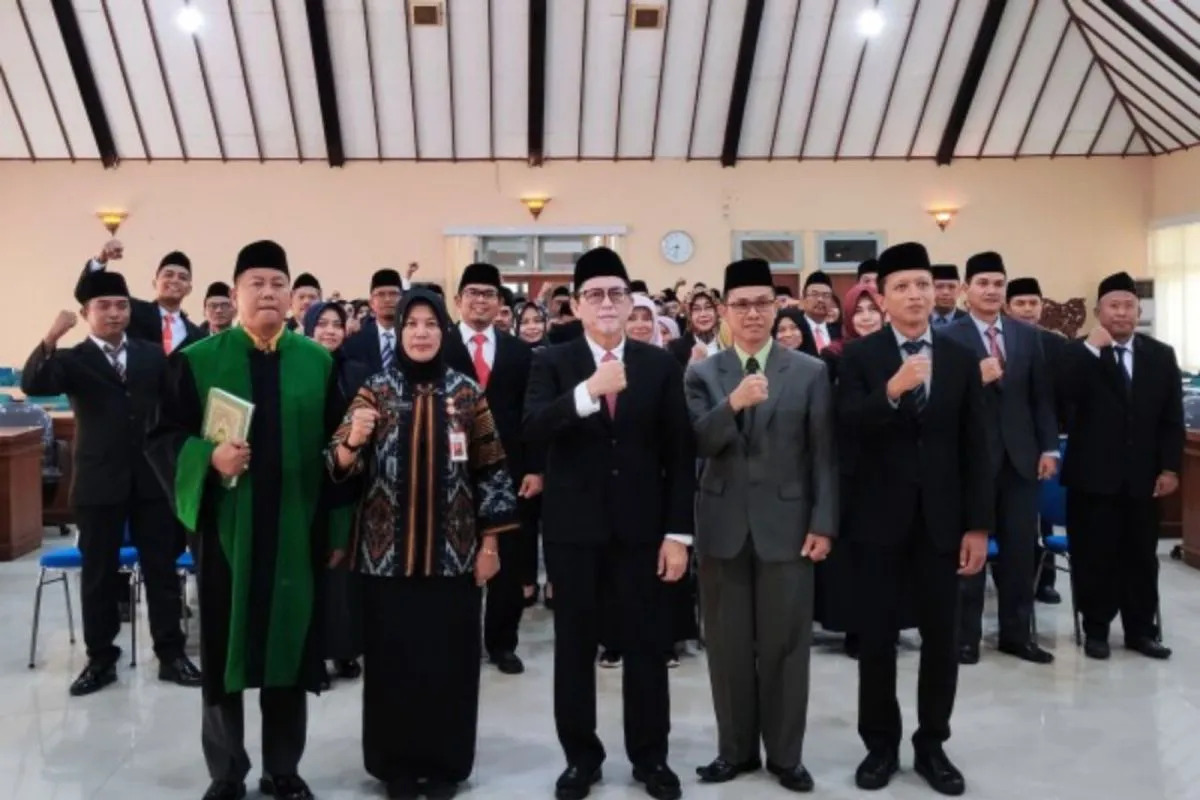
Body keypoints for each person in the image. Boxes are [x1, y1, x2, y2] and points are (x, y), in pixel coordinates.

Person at [147, 240, 333, 800]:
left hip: (297, 533)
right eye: (257, 283)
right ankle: (227, 772)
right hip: (227, 533)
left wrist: (339, 534)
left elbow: (339, 451)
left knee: (287, 647)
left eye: (279, 283)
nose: (269, 292)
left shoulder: (318, 362)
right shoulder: (199, 360)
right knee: (225, 652)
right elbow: (160, 438)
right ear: (234, 293)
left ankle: (283, 768)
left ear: (292, 295)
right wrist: (209, 459)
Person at [327, 288, 517, 800]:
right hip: (385, 559)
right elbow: (336, 467)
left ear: (443, 330)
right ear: (400, 332)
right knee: (393, 666)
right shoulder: (374, 390)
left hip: (452, 559)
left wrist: (491, 547)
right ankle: (395, 767)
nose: (421, 332)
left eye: (430, 323)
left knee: (449, 665)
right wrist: (351, 442)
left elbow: (492, 471)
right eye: (411, 323)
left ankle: (446, 764)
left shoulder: (466, 394)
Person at [524, 247, 695, 800]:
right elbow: (531, 430)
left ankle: (651, 757)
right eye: (593, 294)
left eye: (616, 293)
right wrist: (586, 394)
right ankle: (581, 757)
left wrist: (677, 534)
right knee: (574, 649)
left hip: (643, 534)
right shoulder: (553, 361)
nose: (605, 303)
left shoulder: (659, 365)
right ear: (575, 304)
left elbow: (679, 454)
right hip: (576, 534)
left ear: (630, 303)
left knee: (647, 647)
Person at [837, 241, 992, 796]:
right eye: (902, 286)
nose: (915, 295)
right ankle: (880, 747)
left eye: (923, 285)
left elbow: (978, 443)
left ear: (937, 292)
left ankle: (932, 745)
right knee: (877, 641)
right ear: (881, 296)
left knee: (941, 641)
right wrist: (891, 393)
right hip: (877, 524)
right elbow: (845, 430)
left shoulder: (957, 355)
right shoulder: (859, 357)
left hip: (942, 525)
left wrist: (978, 525)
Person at [685, 258, 836, 793]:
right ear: (724, 311)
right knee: (725, 647)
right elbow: (695, 443)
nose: (752, 314)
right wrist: (734, 403)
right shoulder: (703, 372)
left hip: (789, 526)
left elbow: (824, 456)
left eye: (762, 303)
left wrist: (824, 523)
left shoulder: (810, 371)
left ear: (777, 309)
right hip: (722, 527)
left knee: (787, 646)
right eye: (741, 304)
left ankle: (786, 757)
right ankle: (735, 751)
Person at [22, 271, 201, 697]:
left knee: (161, 571)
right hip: (99, 483)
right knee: (99, 576)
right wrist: (50, 338)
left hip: (153, 482)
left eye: (121, 305)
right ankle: (100, 659)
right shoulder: (71, 359)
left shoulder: (152, 355)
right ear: (85, 314)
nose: (115, 313)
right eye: (104, 306)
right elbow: (33, 384)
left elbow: (178, 404)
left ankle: (171, 654)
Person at [1059, 271, 1183, 661]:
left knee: (1141, 557)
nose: (1122, 314)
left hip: (1143, 479)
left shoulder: (1160, 355)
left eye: (1129, 306)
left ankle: (1141, 631)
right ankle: (1096, 629)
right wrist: (1091, 352)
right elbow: (1061, 398)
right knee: (1095, 555)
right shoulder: (1078, 352)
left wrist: (1169, 468)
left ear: (1138, 311)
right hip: (1093, 478)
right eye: (1113, 306)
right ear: (1098, 312)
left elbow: (1171, 418)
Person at [944, 253, 1059, 666]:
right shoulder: (949, 336)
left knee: (1019, 551)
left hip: (1021, 461)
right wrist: (976, 376)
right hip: (971, 462)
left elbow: (1040, 398)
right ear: (965, 290)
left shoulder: (1026, 335)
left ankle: (1016, 635)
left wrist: (1049, 448)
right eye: (983, 283)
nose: (992, 290)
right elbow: (941, 401)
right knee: (970, 551)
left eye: (998, 283)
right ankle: (964, 639)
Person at [449, 263, 541, 676]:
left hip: (509, 470)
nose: (480, 300)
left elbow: (532, 416)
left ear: (500, 303)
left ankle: (503, 643)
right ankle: (459, 642)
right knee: (455, 558)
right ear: (459, 300)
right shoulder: (440, 344)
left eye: (489, 294)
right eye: (473, 293)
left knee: (508, 556)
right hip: (451, 470)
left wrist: (535, 468)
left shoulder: (519, 352)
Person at [815, 284, 892, 657]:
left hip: (893, 464)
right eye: (858, 310)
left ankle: (888, 624)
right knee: (855, 552)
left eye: (872, 309)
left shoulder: (900, 353)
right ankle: (856, 629)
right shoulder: (832, 356)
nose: (865, 317)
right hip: (849, 464)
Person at [303, 301, 370, 688]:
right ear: (308, 329)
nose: (329, 331)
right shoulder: (296, 369)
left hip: (346, 484)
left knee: (341, 574)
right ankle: (311, 655)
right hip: (305, 485)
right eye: (322, 324)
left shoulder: (357, 371)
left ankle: (344, 651)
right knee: (309, 572)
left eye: (336, 324)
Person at [1005, 276, 1067, 604]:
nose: (1028, 309)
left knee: (1041, 520)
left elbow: (1052, 398)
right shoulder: (1001, 341)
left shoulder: (1055, 344)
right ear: (1008, 306)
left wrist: (1049, 443)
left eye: (1033, 303)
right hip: (1007, 442)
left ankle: (1045, 581)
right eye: (1020, 303)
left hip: (1039, 441)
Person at [79, 239, 204, 352]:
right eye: (168, 275)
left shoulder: (198, 336)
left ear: (189, 289)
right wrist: (101, 259)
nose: (175, 280)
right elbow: (86, 293)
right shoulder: (131, 309)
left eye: (182, 277)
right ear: (155, 283)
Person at [343, 269, 404, 372]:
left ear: (402, 299)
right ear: (371, 302)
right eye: (381, 294)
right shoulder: (355, 341)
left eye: (393, 294)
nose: (387, 299)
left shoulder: (413, 337)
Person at [667, 291, 720, 366]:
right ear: (689, 315)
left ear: (716, 312)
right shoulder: (676, 348)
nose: (703, 314)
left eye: (708, 307)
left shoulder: (728, 344)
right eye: (696, 309)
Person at [797, 272, 841, 357]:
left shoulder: (838, 332)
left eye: (826, 295)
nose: (820, 299)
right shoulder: (796, 329)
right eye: (815, 294)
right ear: (803, 299)